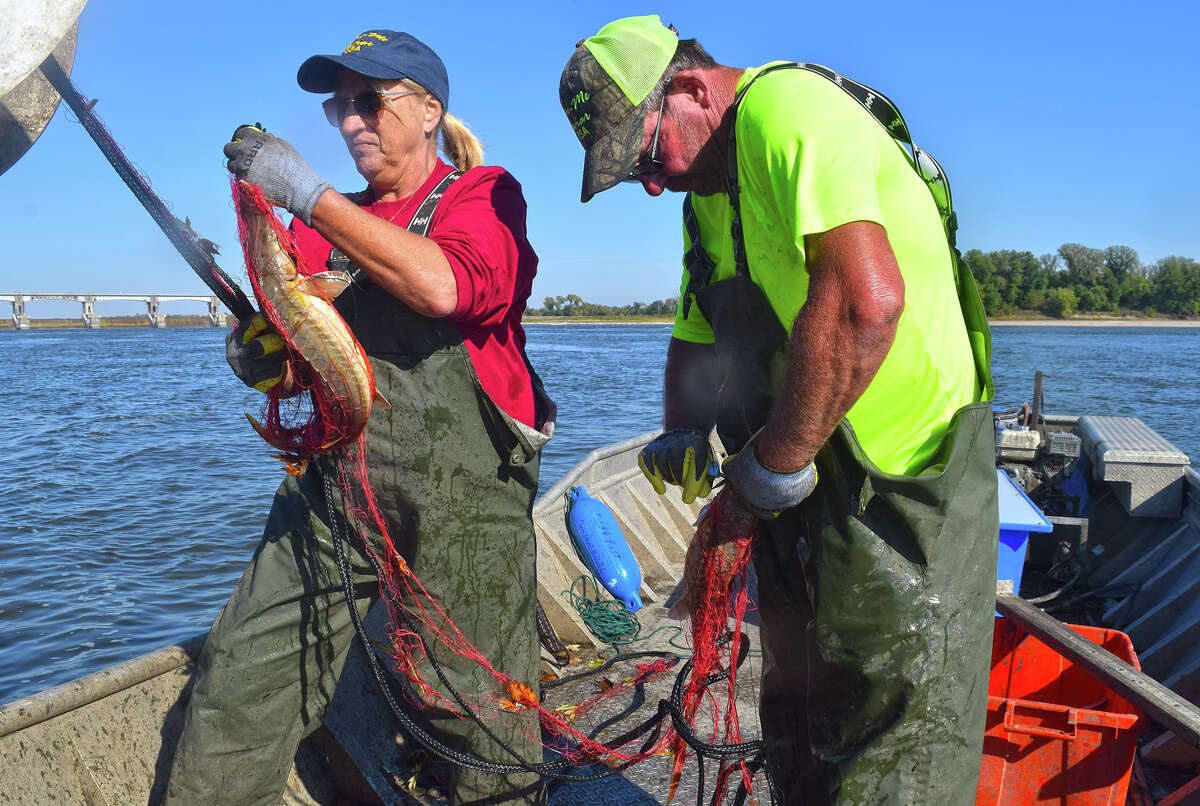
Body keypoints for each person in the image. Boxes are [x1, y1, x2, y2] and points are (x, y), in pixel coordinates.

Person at [559, 16, 999, 806]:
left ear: (691, 89)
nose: (652, 184)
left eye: (648, 156)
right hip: (800, 485)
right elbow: (698, 330)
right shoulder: (706, 195)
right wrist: (684, 426)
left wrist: (764, 474)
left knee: (894, 740)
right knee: (797, 715)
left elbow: (864, 306)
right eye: (632, 175)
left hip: (899, 490)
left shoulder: (787, 110)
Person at [167, 29, 553, 806]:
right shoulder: (320, 234)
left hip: (464, 509)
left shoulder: (483, 196)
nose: (350, 122)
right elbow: (301, 365)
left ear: (429, 110)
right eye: (340, 106)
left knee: (481, 709)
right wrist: (262, 357)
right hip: (334, 495)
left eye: (369, 101)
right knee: (238, 682)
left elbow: (445, 287)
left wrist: (309, 194)